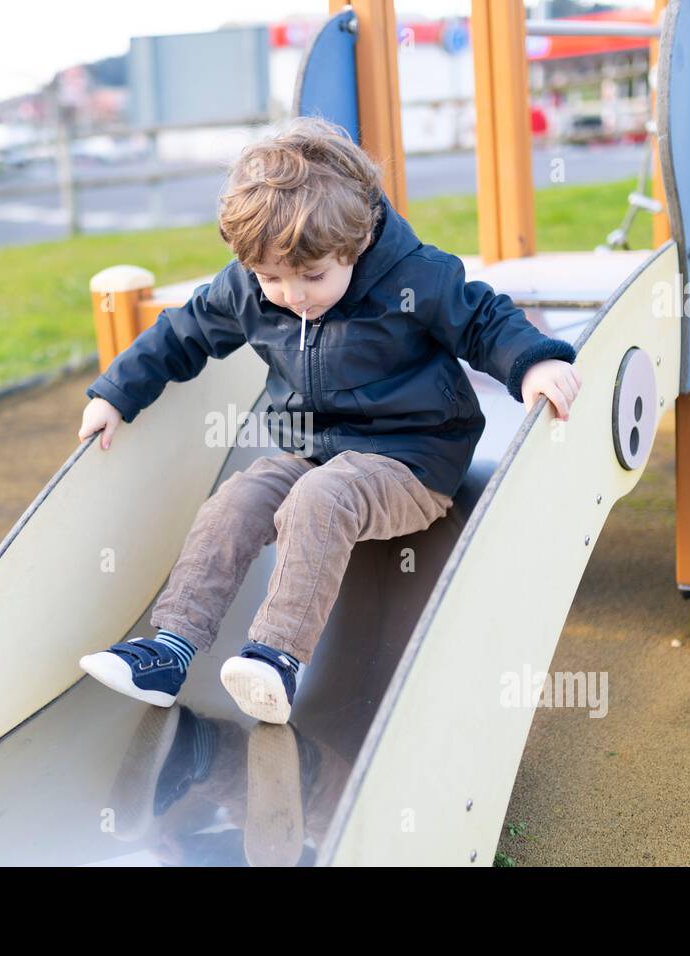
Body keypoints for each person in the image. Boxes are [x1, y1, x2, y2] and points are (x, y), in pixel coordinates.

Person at [77, 116, 582, 725]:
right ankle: (171, 648)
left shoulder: (412, 275)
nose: (292, 295)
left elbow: (482, 320)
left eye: (313, 277)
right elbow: (181, 334)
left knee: (321, 497)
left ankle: (278, 658)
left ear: (358, 240)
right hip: (311, 449)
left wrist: (531, 365)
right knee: (235, 499)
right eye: (271, 279)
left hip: (412, 461)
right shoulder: (252, 287)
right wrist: (114, 394)